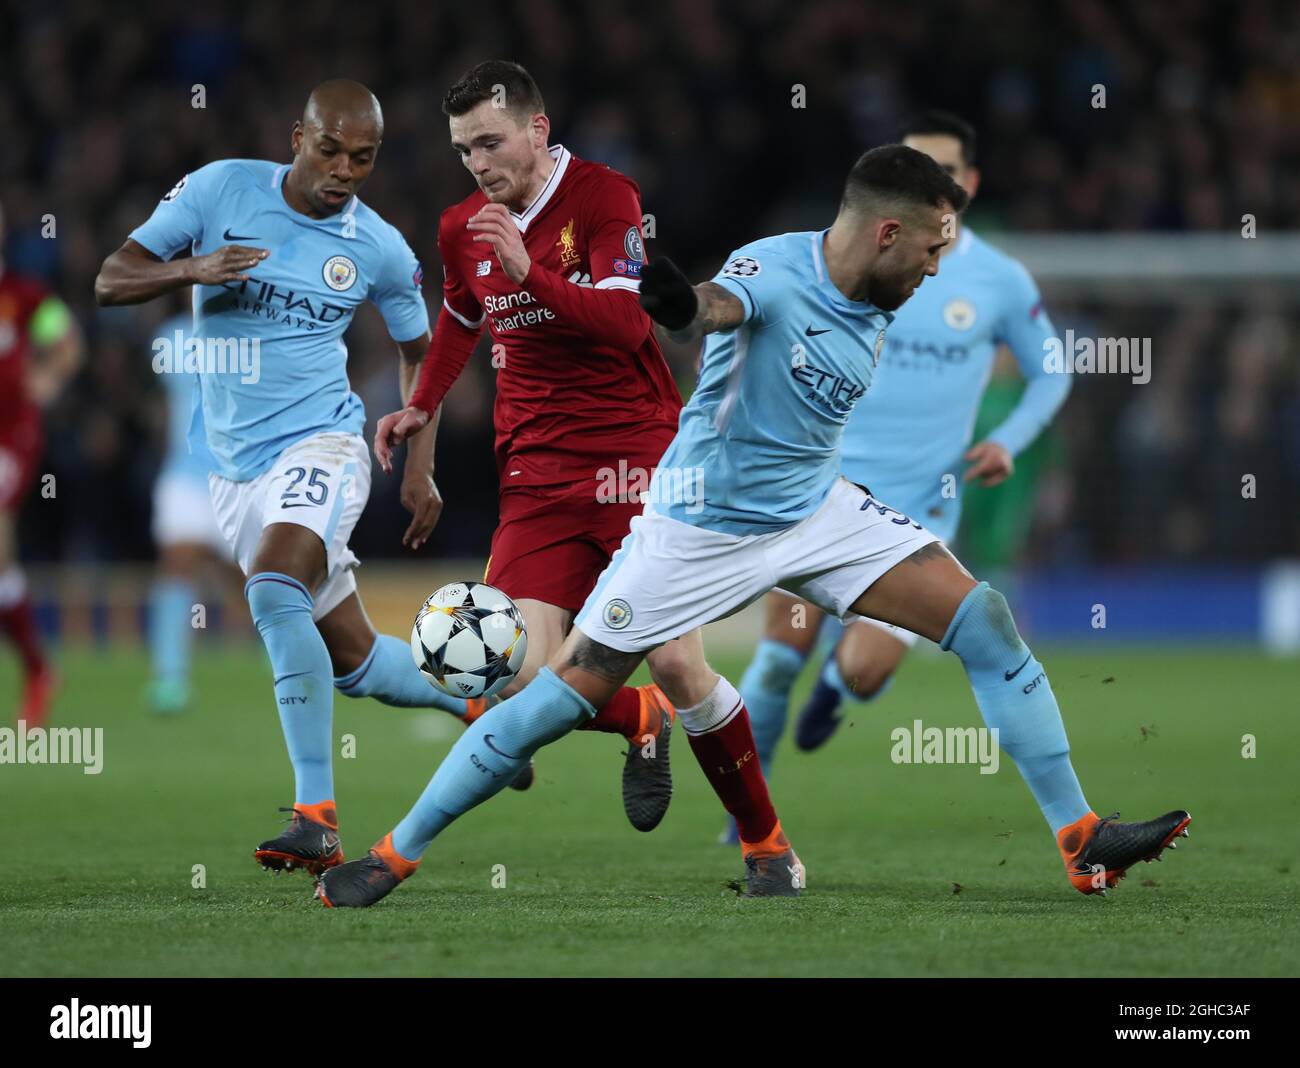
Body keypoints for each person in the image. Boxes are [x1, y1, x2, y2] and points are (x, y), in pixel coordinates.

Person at [319, 143, 1190, 908]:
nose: (935, 268)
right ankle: (396, 854)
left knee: (985, 620)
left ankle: (1081, 841)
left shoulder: (880, 298)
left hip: (816, 509)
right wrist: (675, 303)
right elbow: (716, 305)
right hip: (696, 527)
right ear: (887, 233)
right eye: (931, 248)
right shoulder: (774, 268)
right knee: (558, 696)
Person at [373, 61, 788, 846]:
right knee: (515, 674)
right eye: (464, 150)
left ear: (538, 131)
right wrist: (420, 406)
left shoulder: (605, 198)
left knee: (675, 662)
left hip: (636, 462)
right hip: (535, 473)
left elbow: (633, 326)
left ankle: (767, 844)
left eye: (490, 143)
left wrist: (532, 272)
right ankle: (639, 718)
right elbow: (461, 323)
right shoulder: (463, 225)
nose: (478, 163)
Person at [95, 80, 501, 877]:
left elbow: (424, 349)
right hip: (232, 470)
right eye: (330, 150)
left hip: (323, 445)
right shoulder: (220, 190)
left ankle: (316, 816)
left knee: (275, 589)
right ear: (296, 137)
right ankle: (475, 704)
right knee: (351, 662)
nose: (345, 169)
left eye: (363, 157)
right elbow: (112, 278)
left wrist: (420, 464)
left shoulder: (378, 246)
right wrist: (195, 269)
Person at [731, 110, 1073, 842]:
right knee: (774, 660)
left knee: (862, 674)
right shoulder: (860, 257)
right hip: (819, 491)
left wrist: (1009, 437)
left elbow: (1052, 368)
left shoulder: (996, 280)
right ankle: (748, 823)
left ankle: (836, 686)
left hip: (917, 512)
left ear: (971, 184)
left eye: (946, 171)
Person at [0, 199, 84, 726]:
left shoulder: (23, 296)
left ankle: (37, 669)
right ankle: (38, 666)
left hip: (10, 438)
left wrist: (49, 379)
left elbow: (67, 342)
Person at [145, 289, 242, 714]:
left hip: (239, 477)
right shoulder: (171, 338)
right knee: (177, 561)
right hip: (184, 474)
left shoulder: (253, 338)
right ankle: (170, 680)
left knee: (251, 580)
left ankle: (284, 659)